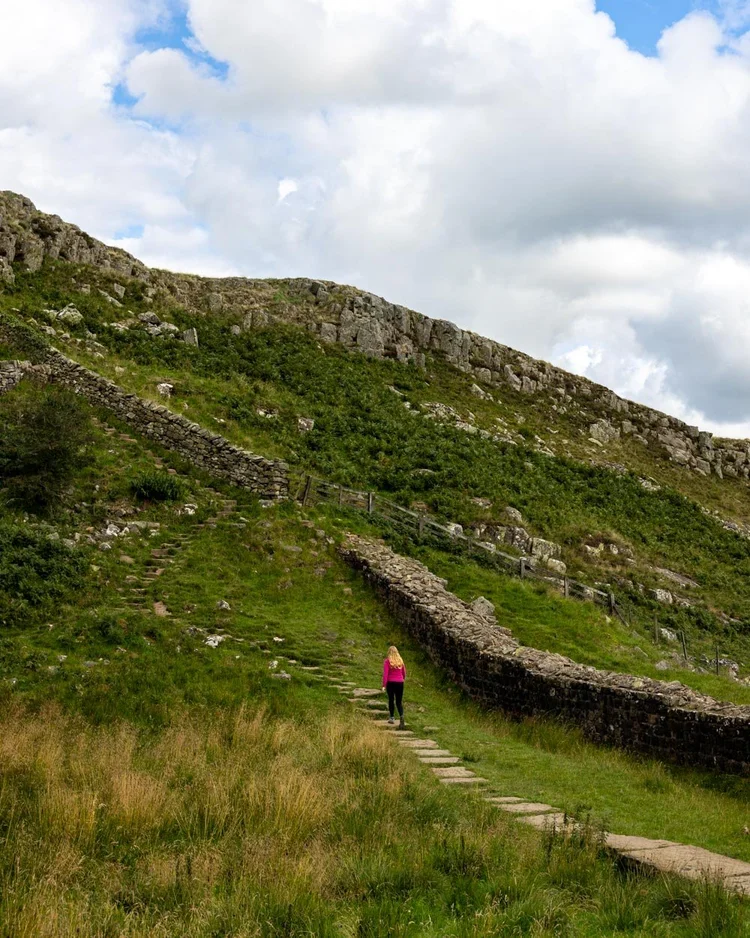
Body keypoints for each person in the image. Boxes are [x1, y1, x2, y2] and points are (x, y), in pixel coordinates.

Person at [382, 645, 406, 729]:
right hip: (400, 683)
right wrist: (402, 680)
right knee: (399, 701)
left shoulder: (387, 661)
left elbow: (385, 674)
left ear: (389, 652)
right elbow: (404, 673)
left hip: (391, 682)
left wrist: (384, 685)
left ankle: (392, 717)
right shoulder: (400, 661)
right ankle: (401, 716)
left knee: (391, 700)